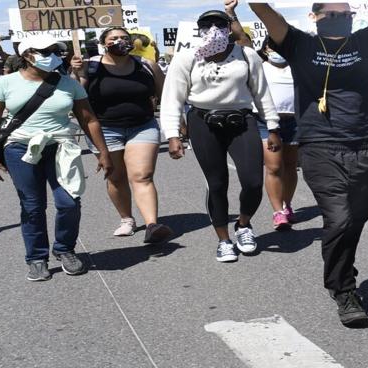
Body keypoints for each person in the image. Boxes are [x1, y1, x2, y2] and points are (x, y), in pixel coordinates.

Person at [248, 1, 368, 327]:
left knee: (356, 219)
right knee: (339, 219)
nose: (340, 18)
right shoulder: (300, 43)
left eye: (346, 14)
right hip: (320, 147)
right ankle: (343, 289)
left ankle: (341, 264)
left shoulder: (366, 41)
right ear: (313, 17)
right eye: (331, 14)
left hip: (367, 145)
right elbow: (266, 13)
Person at [0, 37, 111, 281]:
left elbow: (89, 119)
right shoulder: (5, 83)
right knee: (32, 205)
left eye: (54, 51)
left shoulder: (69, 84)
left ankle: (64, 249)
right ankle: (36, 257)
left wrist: (103, 152)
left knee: (69, 202)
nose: (52, 55)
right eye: (45, 51)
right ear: (28, 54)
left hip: (60, 148)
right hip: (20, 149)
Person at [162, 7, 281, 263]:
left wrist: (272, 126)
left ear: (229, 28)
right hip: (203, 123)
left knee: (252, 182)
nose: (213, 29)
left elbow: (261, 93)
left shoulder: (246, 55)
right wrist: (173, 135)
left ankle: (244, 225)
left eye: (219, 24)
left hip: (242, 121)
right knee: (217, 184)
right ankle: (224, 240)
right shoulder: (188, 57)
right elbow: (172, 97)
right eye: (207, 25)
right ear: (199, 29)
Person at [72, 25, 175, 244]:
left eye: (124, 37)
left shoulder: (147, 66)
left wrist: (176, 128)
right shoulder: (90, 67)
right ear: (103, 44)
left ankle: (152, 225)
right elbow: (76, 97)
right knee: (116, 177)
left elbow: (166, 98)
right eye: (114, 38)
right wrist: (77, 74)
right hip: (105, 130)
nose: (120, 41)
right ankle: (127, 219)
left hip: (143, 126)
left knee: (142, 175)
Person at [252, 38, 301, 229]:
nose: (277, 50)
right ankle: (278, 212)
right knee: (273, 166)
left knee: (290, 165)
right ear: (265, 49)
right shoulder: (259, 66)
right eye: (273, 46)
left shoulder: (296, 66)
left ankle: (286, 205)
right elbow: (241, 39)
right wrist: (232, 14)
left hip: (294, 121)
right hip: (265, 122)